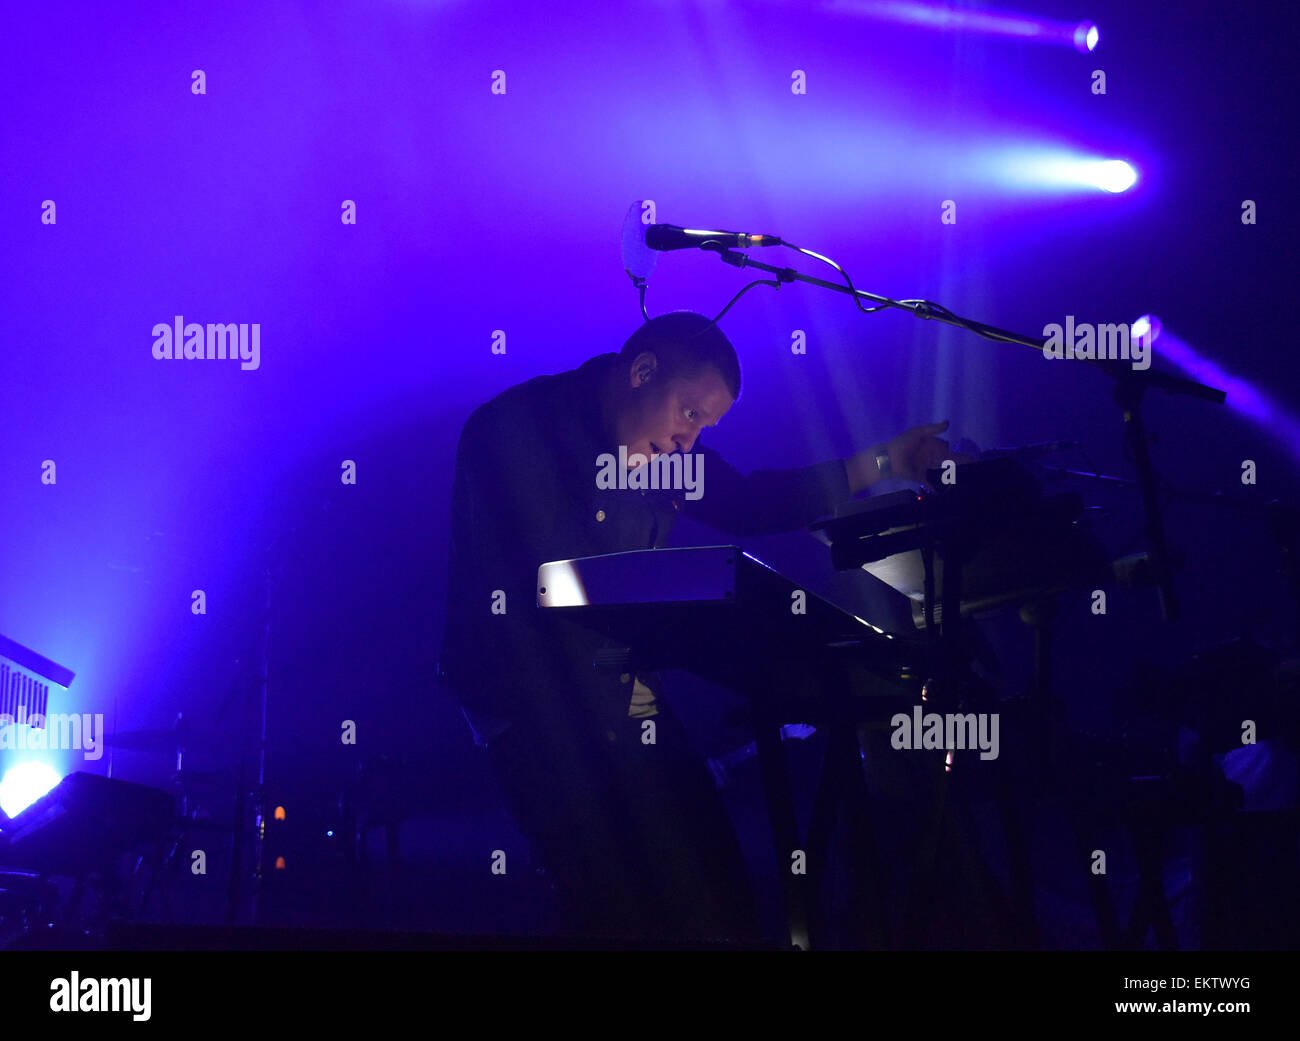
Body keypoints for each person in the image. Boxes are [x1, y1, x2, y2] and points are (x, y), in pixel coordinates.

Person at [438, 310, 957, 943]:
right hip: (525, 701)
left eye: (705, 428)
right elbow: (537, 584)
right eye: (689, 414)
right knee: (611, 896)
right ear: (642, 371)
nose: (690, 442)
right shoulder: (511, 429)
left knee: (712, 881)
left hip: (621, 691)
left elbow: (749, 502)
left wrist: (885, 461)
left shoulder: (667, 455)